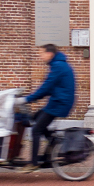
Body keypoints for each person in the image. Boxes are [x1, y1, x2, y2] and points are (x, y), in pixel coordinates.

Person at [18, 44, 76, 172]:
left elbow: (46, 88)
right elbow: (49, 88)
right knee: (35, 118)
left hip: (59, 104)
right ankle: (53, 141)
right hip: (57, 102)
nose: (40, 56)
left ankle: (33, 163)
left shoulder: (58, 66)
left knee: (36, 130)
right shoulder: (58, 64)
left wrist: (26, 99)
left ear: (49, 54)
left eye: (42, 53)